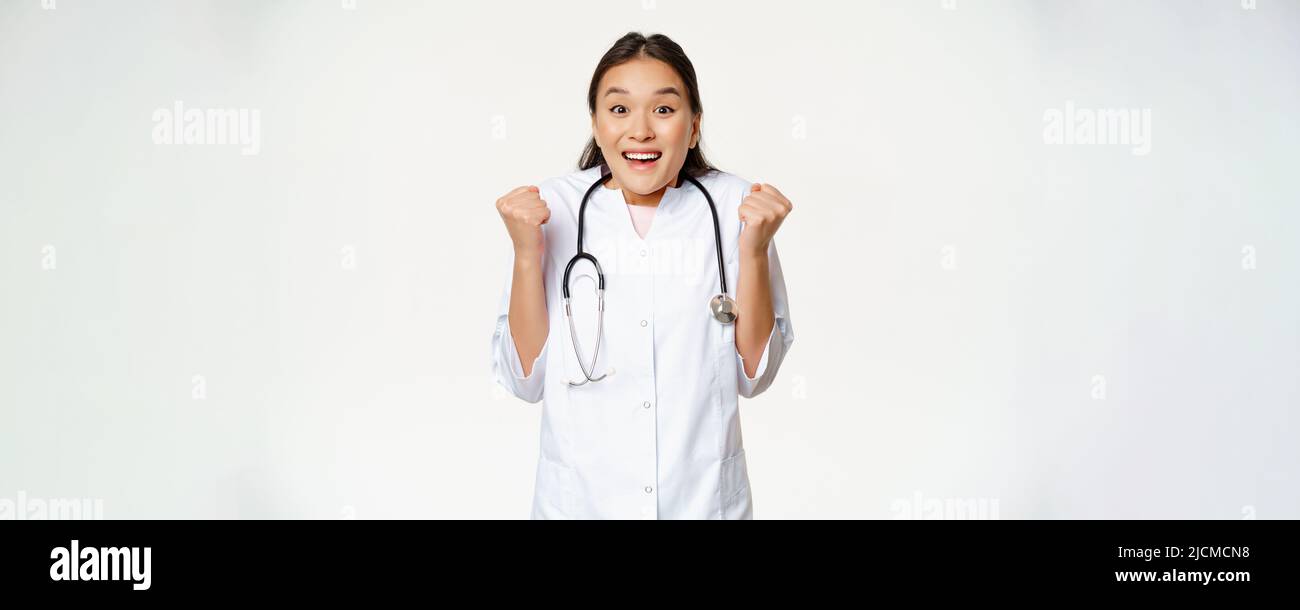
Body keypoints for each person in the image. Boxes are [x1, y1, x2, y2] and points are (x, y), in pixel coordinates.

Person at [491, 32, 794, 519]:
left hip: (700, 502)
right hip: (583, 503)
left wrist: (754, 252)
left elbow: (754, 375)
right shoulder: (552, 209)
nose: (640, 131)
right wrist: (527, 255)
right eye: (619, 109)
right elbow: (525, 380)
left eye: (663, 110)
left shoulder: (736, 208)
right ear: (595, 123)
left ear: (693, 126)